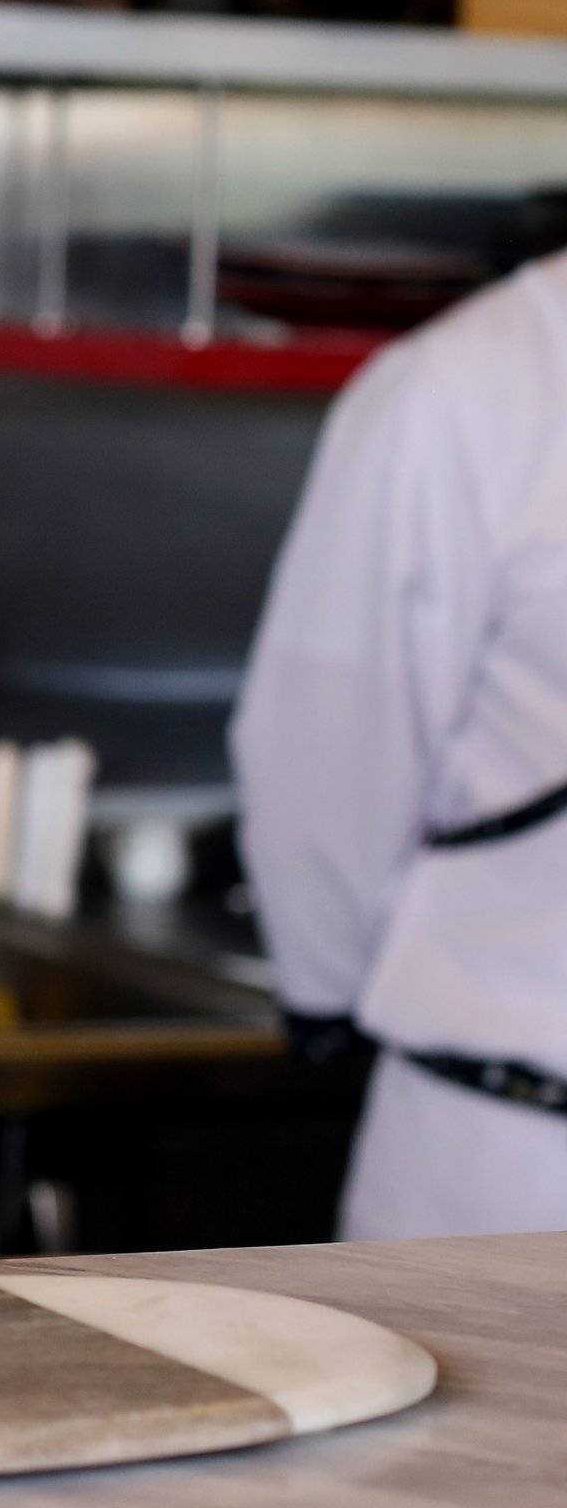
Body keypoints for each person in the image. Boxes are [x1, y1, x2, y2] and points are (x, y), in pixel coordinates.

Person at [233, 248, 567, 1240]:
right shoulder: (475, 386)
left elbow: (327, 746)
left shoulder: (478, 385)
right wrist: (326, 988)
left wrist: (324, 991)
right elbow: (326, 751)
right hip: (509, 1168)